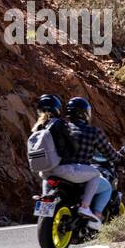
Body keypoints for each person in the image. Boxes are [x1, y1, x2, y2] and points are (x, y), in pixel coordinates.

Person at [34, 95, 104, 223]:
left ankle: (45, 203)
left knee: (48, 182)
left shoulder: (39, 127)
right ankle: (85, 207)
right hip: (63, 168)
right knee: (95, 174)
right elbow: (72, 144)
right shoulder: (59, 124)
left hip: (45, 171)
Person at [61, 96, 124, 227]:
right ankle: (95, 217)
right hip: (80, 173)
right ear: (84, 113)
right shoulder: (92, 132)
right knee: (106, 187)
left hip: (59, 169)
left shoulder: (62, 128)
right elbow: (108, 151)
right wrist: (120, 159)